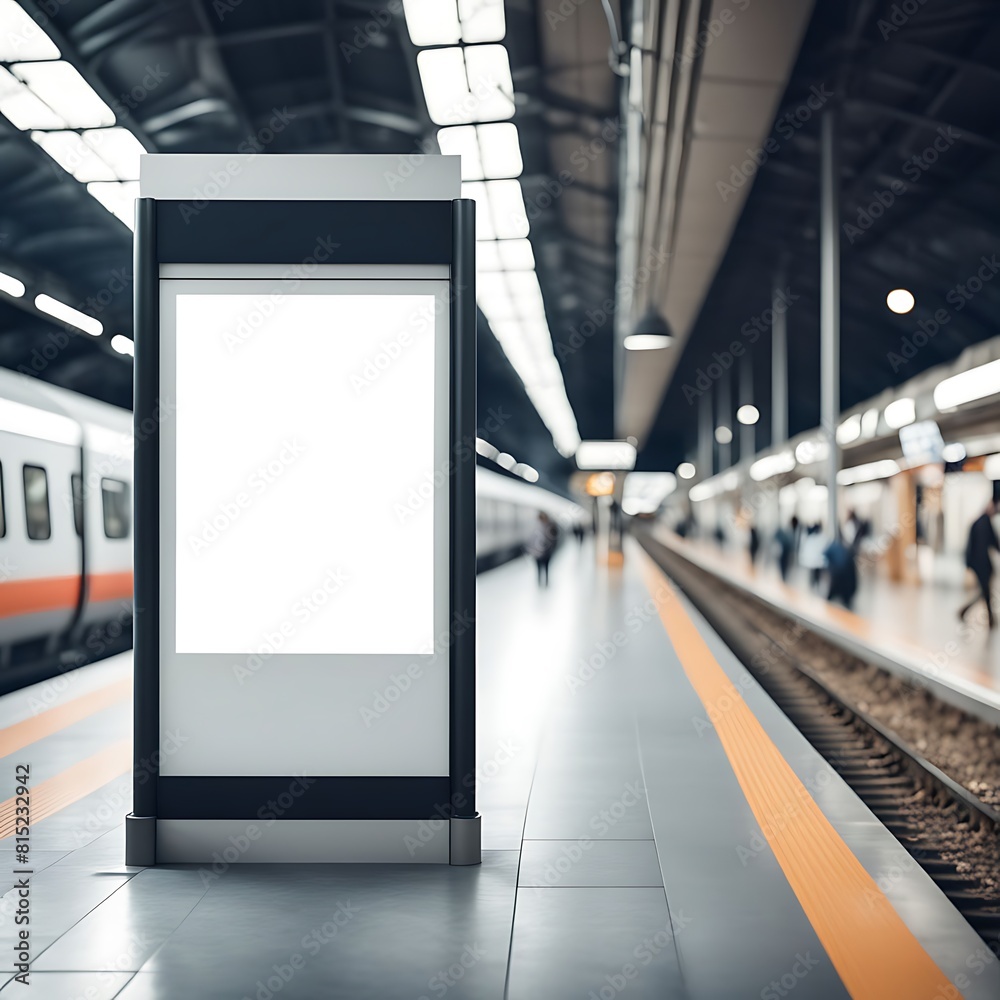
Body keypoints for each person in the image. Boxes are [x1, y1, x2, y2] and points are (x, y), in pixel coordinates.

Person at [958, 500, 998, 629]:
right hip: (982, 564)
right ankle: (968, 611)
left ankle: (987, 617)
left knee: (985, 590)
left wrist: (969, 563)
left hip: (978, 563)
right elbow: (994, 542)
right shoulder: (984, 522)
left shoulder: (977, 522)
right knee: (985, 590)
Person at [825, 534, 858, 609]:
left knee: (831, 595)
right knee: (846, 598)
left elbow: (825, 554)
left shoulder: (832, 547)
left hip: (839, 574)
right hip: (847, 578)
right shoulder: (846, 549)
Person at [527, 511, 559, 587]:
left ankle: (546, 581)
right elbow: (531, 540)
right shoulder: (536, 527)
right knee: (538, 568)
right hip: (537, 552)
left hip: (546, 552)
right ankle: (540, 582)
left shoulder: (550, 527)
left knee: (546, 567)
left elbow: (554, 540)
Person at [799, 523, 826, 591]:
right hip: (815, 562)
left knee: (815, 575)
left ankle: (814, 586)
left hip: (817, 562)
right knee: (814, 576)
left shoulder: (816, 538)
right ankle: (813, 586)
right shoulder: (814, 538)